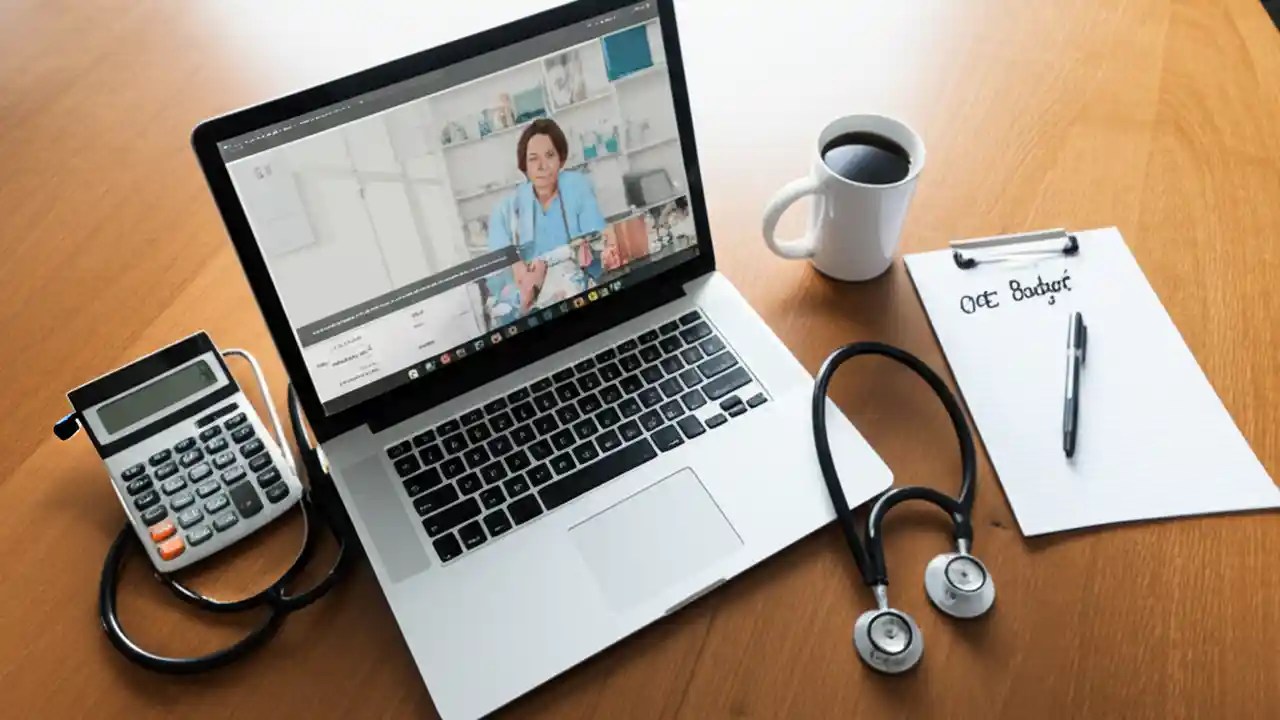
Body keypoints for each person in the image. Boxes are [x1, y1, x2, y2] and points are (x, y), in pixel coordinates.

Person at [485, 118, 617, 326]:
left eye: (549, 155)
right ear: (524, 165)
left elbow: (597, 242)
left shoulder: (577, 186)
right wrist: (521, 272)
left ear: (561, 159)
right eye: (533, 159)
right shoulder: (508, 208)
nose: (542, 166)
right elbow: (501, 265)